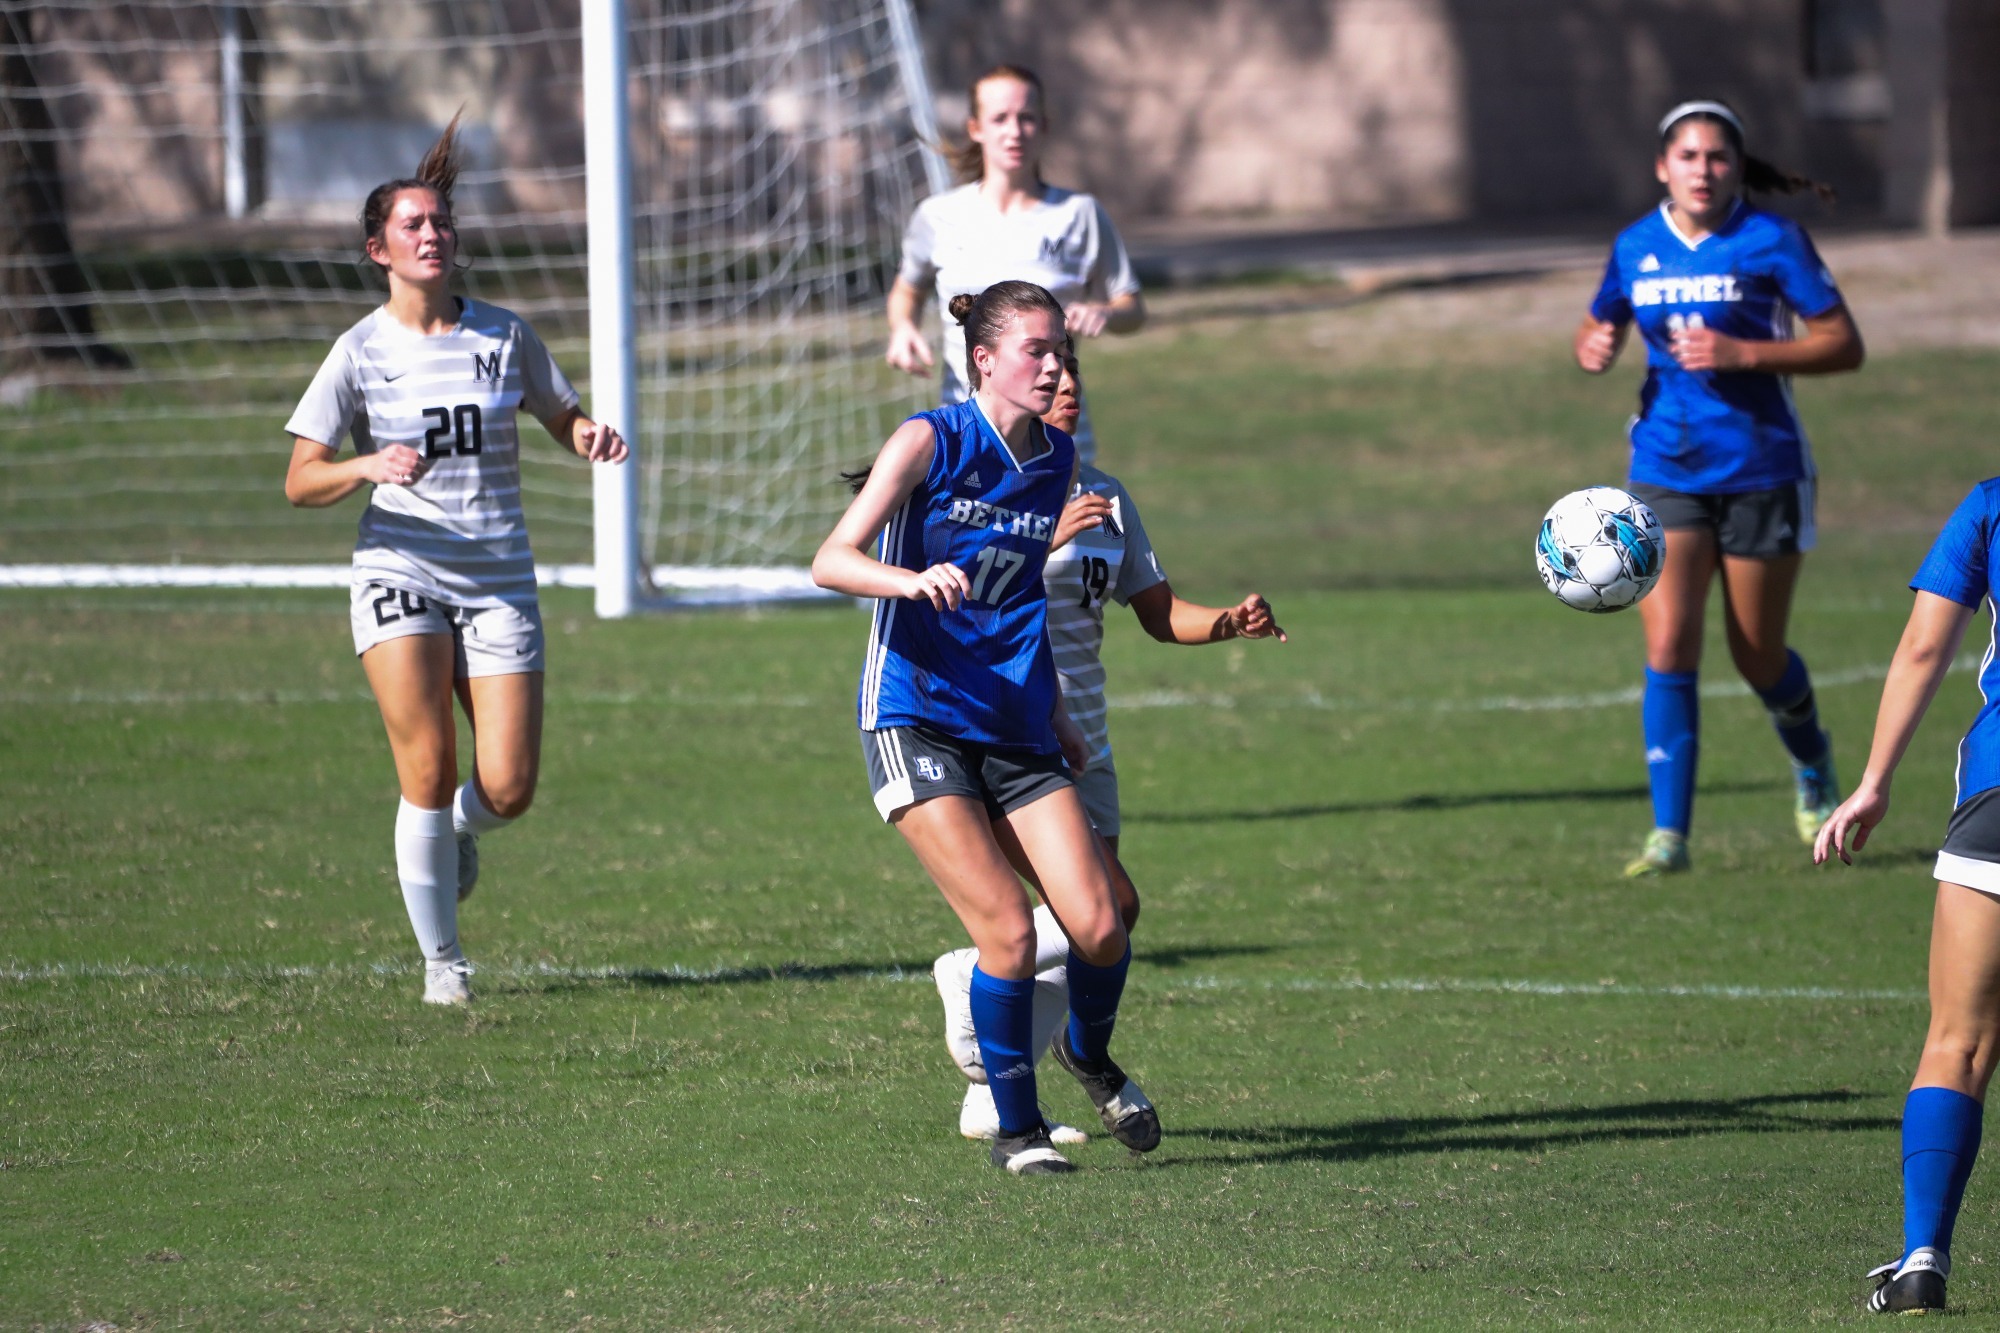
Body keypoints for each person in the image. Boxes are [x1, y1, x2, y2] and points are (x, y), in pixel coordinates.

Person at [282, 119, 627, 1006]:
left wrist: (586, 435)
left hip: (500, 579)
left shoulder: (506, 336)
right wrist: (363, 463)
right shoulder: (359, 351)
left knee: (508, 786)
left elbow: (560, 415)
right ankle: (444, 962)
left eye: (440, 222)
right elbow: (300, 479)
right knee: (427, 767)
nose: (431, 234)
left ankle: (456, 837)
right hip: (400, 568)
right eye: (412, 225)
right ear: (378, 249)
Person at [814, 281, 1156, 1175]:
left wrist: (1051, 711)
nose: (1054, 366)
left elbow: (1012, 595)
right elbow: (831, 559)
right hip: (915, 715)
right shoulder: (930, 438)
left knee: (1103, 920)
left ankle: (1086, 1052)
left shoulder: (1056, 459)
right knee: (1006, 930)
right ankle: (1018, 1130)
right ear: (985, 360)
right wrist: (910, 580)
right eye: (1037, 351)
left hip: (1016, 719)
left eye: (1059, 352)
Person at [930, 342, 1286, 1142]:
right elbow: (958, 593)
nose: (1067, 398)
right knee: (1107, 905)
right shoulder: (985, 488)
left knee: (1100, 922)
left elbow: (1158, 614)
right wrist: (1043, 535)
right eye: (1050, 385)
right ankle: (1061, 1045)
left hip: (1086, 739)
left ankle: (1007, 1071)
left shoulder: (1108, 499)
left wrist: (1229, 620)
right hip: (1003, 730)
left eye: (1074, 389)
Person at [1575, 99, 1865, 878]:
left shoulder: (1772, 241)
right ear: (1662, 167)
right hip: (1665, 469)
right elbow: (1598, 322)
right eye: (1689, 156)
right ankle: (1669, 837)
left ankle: (1812, 762)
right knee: (1670, 642)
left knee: (1756, 652)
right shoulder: (1636, 245)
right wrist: (1593, 343)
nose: (1703, 169)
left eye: (1718, 157)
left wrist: (1744, 353)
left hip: (1763, 467)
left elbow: (1844, 345)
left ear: (1738, 167)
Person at [1813, 480, 2000, 1314]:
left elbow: (1924, 647)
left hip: (1998, 796)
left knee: (1957, 1041)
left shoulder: (1992, 502)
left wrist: (1874, 782)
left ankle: (1923, 1255)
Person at [886, 63, 1143, 466]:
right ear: (975, 128)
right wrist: (903, 328)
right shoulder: (938, 216)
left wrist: (1106, 312)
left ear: (1043, 125)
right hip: (965, 449)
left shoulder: (1079, 214)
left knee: (1069, 529)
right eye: (1000, 118)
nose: (1014, 130)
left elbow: (1133, 308)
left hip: (1057, 444)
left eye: (1026, 118)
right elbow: (907, 289)